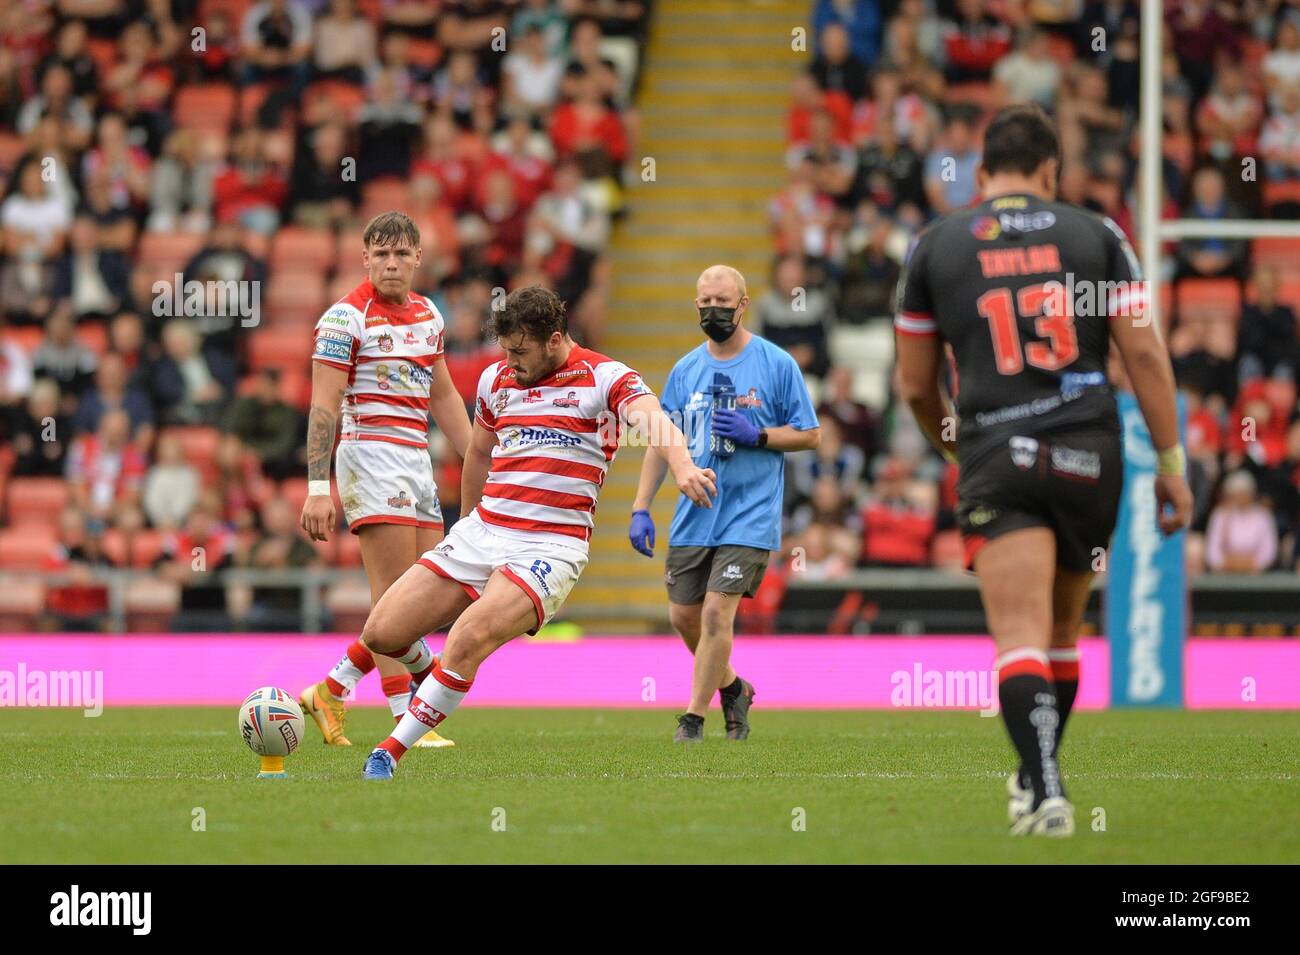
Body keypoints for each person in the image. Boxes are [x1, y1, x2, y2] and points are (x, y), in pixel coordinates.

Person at [894, 104, 1192, 836]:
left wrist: (957, 449)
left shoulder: (938, 245)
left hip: (998, 449)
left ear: (983, 172)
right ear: (1052, 172)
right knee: (1063, 628)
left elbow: (913, 386)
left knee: (1019, 632)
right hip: (1092, 451)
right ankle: (1038, 780)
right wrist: (1173, 463)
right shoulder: (1098, 235)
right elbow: (1147, 355)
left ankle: (1045, 789)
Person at [356, 285, 717, 779]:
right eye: (505, 349)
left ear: (554, 338)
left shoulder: (604, 377)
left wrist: (683, 467)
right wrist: (463, 527)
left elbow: (654, 422)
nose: (511, 360)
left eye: (520, 350)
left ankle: (389, 752)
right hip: (484, 529)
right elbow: (480, 453)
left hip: (550, 544)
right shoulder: (497, 378)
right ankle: (431, 677)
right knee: (381, 632)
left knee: (468, 637)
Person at [297, 211, 472, 750]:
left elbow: (442, 396)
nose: (391, 263)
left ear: (419, 258)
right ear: (365, 258)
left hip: (416, 458)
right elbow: (323, 406)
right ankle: (406, 720)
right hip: (370, 455)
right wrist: (317, 487)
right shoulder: (345, 319)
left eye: (402, 254)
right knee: (394, 598)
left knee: (423, 598)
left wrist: (478, 464)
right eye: (381, 254)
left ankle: (331, 690)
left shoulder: (428, 315)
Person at [628, 265, 820, 742]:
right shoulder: (685, 369)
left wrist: (759, 434)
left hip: (749, 513)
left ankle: (693, 718)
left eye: (723, 302)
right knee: (683, 617)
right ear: (696, 305)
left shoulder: (777, 364)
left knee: (716, 614)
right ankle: (734, 687)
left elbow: (811, 435)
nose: (714, 310)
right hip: (694, 513)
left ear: (743, 304)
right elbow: (660, 439)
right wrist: (640, 506)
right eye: (706, 303)